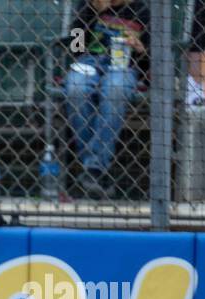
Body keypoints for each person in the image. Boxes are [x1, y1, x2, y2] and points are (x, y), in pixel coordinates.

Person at [64, 0, 151, 199]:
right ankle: (96, 171)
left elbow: (151, 58)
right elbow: (75, 48)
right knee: (76, 88)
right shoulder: (88, 6)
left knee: (115, 89)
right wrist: (90, 14)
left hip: (124, 65)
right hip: (89, 62)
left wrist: (139, 47)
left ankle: (92, 169)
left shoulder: (141, 10)